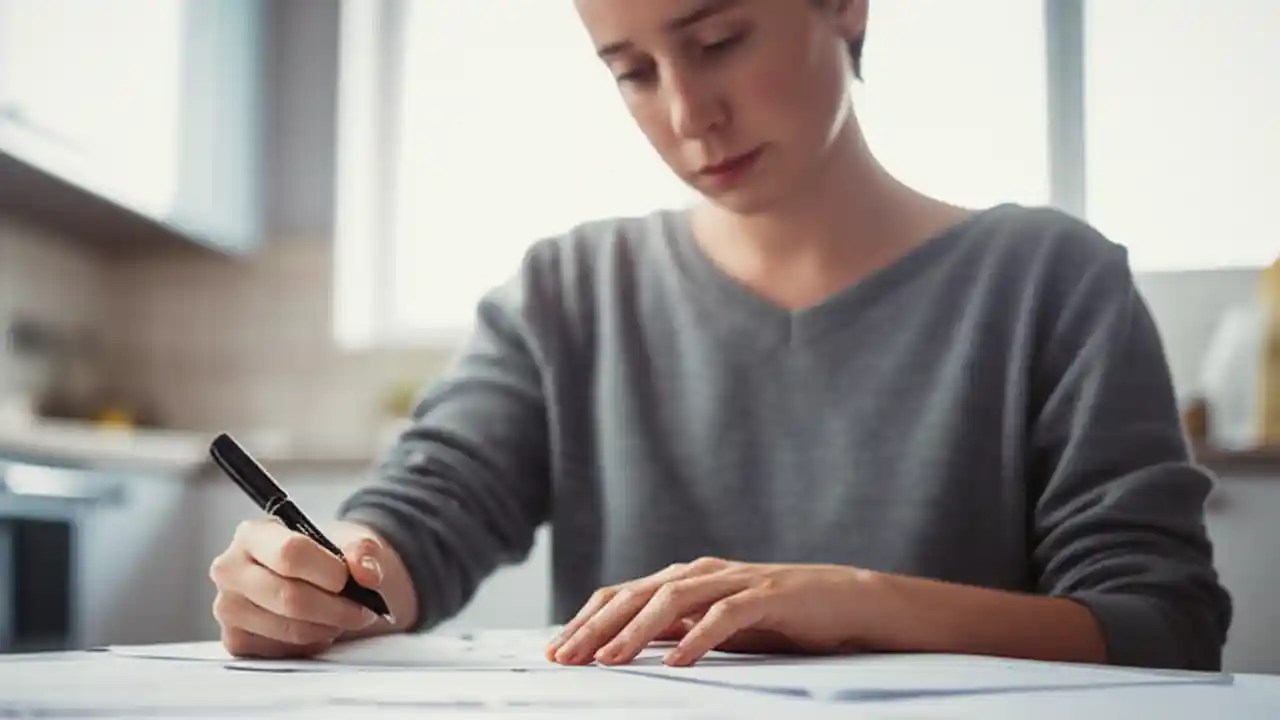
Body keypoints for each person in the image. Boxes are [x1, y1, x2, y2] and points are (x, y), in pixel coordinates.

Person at [209, 0, 1232, 670]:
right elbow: (420, 519)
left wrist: (860, 603)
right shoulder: (570, 288)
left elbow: (1161, 623)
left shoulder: (1050, 280)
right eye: (632, 71)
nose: (687, 113)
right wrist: (330, 568)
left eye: (715, 40)